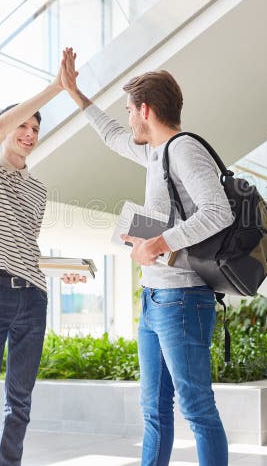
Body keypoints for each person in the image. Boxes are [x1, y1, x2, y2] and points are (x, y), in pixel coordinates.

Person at [59, 48, 232, 466]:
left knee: (197, 410)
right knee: (154, 412)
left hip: (184, 300)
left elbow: (218, 212)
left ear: (146, 110)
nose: (128, 118)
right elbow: (114, 135)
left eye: (130, 110)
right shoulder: (155, 152)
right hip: (155, 300)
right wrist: (75, 94)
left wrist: (157, 244)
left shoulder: (183, 150)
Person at [0, 64, 87, 466]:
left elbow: (25, 246)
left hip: (33, 299)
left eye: (35, 130)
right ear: (9, 128)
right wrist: (55, 87)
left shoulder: (38, 189)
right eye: (23, 126)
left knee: (21, 404)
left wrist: (63, 269)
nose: (29, 134)